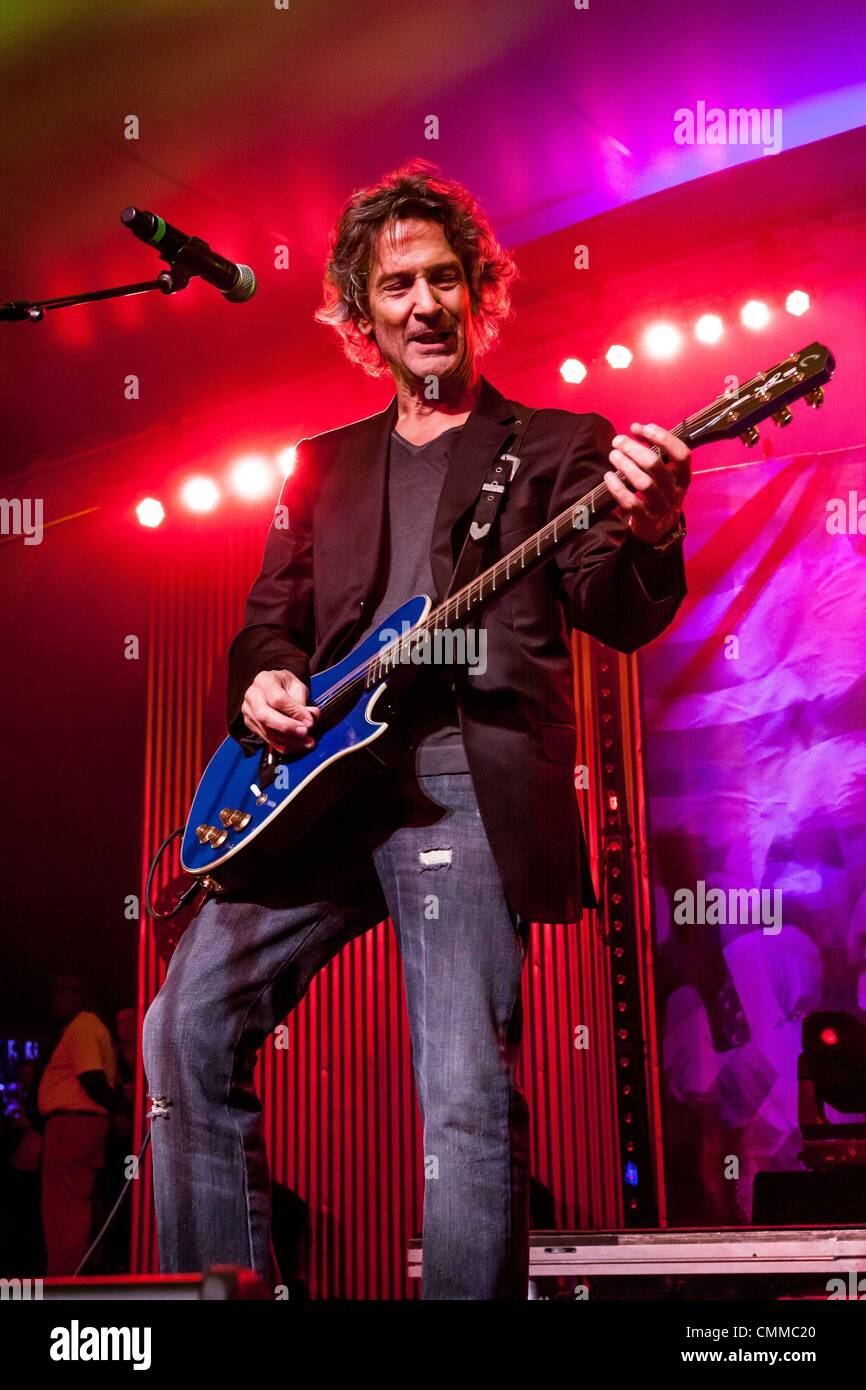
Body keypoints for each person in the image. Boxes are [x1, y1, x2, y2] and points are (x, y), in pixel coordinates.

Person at [143, 159, 691, 1300]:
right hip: (314, 778)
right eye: (395, 288)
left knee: (459, 1086)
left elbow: (610, 604)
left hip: (455, 771)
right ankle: (215, 1292)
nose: (424, 305)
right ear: (360, 316)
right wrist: (264, 685)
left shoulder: (552, 447)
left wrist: (647, 531)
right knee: (180, 1028)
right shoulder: (318, 465)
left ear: (479, 294)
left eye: (445, 279)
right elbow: (264, 630)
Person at [37, 975, 118, 1275]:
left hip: (72, 1125)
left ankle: (64, 1281)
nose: (57, 1000)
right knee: (73, 1207)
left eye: (65, 992)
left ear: (80, 996)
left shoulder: (82, 1025)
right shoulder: (89, 1026)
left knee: (64, 1210)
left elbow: (91, 1078)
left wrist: (117, 1109)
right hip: (81, 1124)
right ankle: (70, 1276)